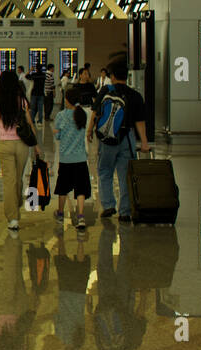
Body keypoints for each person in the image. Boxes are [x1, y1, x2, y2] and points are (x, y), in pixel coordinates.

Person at [91, 59, 150, 223]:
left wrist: (90, 131)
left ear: (113, 76)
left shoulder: (105, 90)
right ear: (127, 76)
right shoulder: (135, 95)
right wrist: (144, 141)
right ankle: (125, 211)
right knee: (125, 175)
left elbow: (95, 112)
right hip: (127, 138)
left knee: (104, 171)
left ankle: (108, 204)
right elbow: (140, 121)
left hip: (107, 137)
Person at [0, 69, 44, 230]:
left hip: (5, 145)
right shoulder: (22, 100)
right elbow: (29, 123)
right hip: (22, 145)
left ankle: (13, 219)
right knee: (17, 179)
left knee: (9, 181)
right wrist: (36, 144)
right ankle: (16, 204)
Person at [52, 86, 92, 230]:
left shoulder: (61, 116)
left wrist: (57, 132)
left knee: (63, 187)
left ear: (67, 100)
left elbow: (57, 135)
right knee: (81, 188)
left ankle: (61, 213)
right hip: (80, 158)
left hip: (66, 159)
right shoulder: (83, 114)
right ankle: (81, 216)